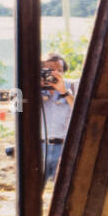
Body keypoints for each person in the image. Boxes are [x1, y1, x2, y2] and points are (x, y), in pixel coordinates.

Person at [39, 53, 76, 182]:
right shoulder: (28, 86)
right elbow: (16, 111)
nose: (54, 74)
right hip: (38, 148)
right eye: (49, 70)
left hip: (64, 147)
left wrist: (63, 91)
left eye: (59, 70)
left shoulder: (71, 86)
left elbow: (80, 110)